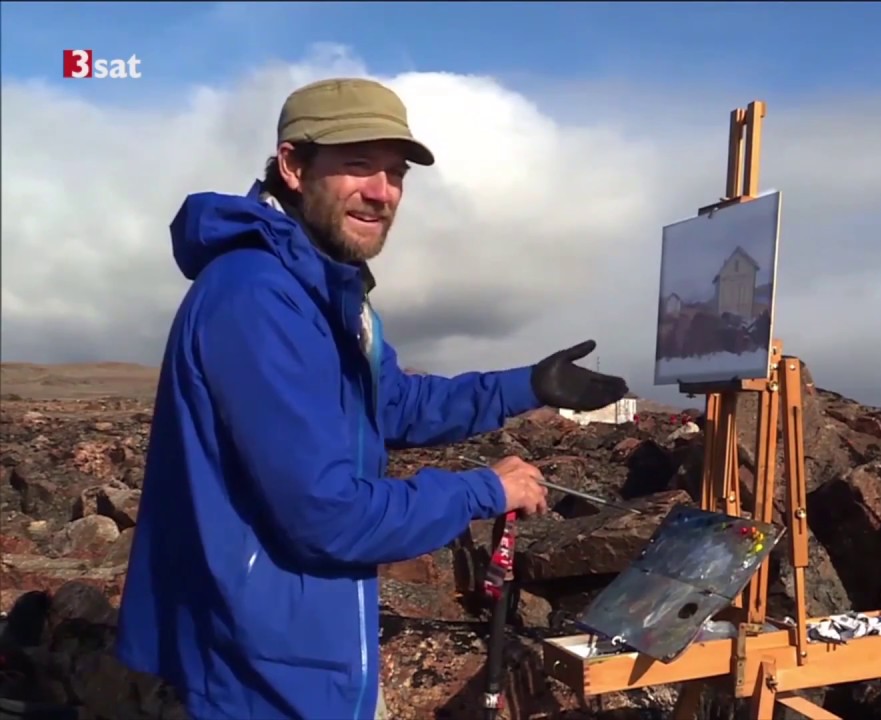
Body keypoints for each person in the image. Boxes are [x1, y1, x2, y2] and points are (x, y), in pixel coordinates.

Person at [115, 77, 630, 720]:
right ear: (294, 166)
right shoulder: (257, 297)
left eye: (395, 173)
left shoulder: (329, 291)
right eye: (358, 165)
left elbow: (391, 407)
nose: (382, 192)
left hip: (301, 639)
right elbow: (329, 516)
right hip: (254, 663)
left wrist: (527, 386)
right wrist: (483, 491)